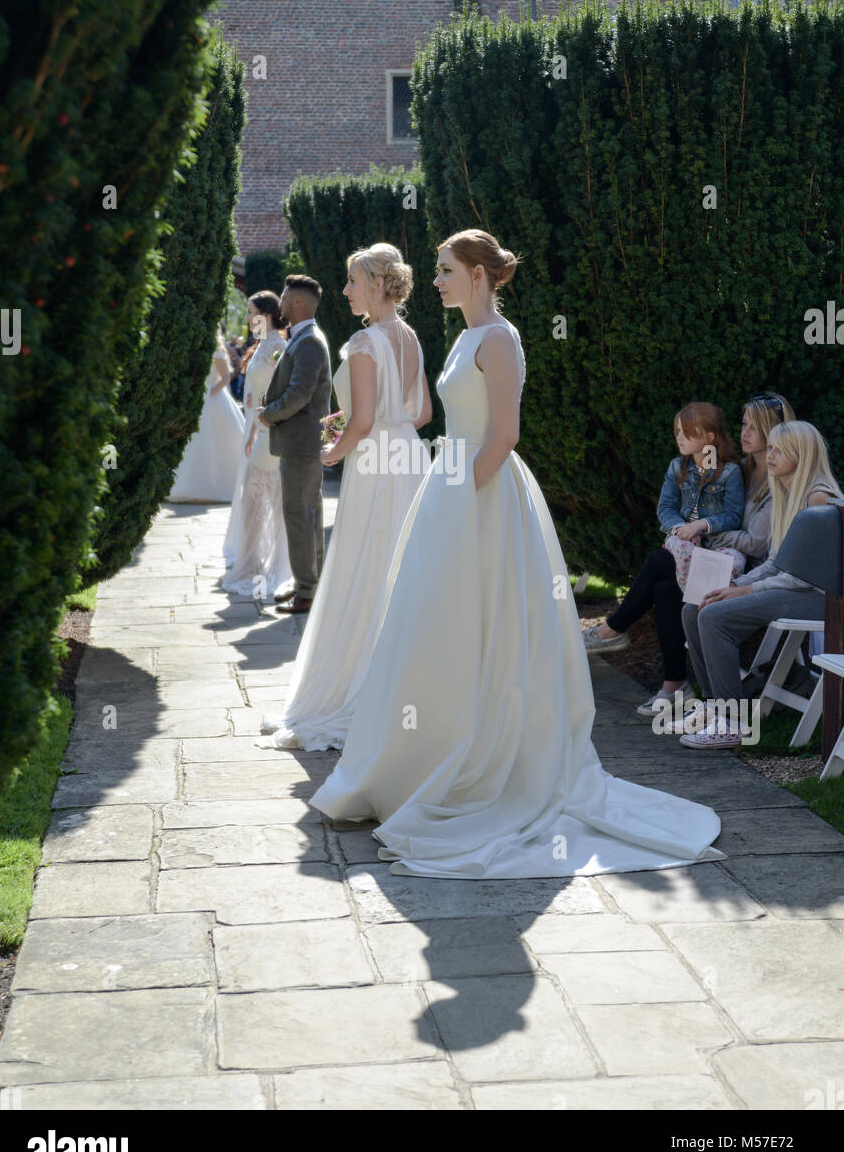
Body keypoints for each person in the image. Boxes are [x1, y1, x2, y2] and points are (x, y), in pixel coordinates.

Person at [311, 229, 722, 879]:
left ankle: (486, 769)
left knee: (486, 624)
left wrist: (458, 506)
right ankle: (416, 762)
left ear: (478, 274)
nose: (436, 279)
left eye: (446, 270)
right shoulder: (463, 336)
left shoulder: (499, 338)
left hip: (483, 496)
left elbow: (503, 434)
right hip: (451, 485)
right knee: (429, 628)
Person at [257, 244, 432, 750]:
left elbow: (360, 422)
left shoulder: (361, 342)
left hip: (374, 465)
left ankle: (357, 684)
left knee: (364, 563)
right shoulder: (410, 336)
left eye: (352, 280)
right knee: (401, 566)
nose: (345, 289)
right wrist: (365, 423)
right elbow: (418, 413)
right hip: (409, 458)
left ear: (377, 284)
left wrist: (333, 452)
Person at [586, 395, 794, 718]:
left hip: (743, 570)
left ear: (773, 433)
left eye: (755, 427)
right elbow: (670, 509)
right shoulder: (747, 469)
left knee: (661, 564)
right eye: (743, 424)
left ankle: (616, 631)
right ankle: (673, 686)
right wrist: (690, 529)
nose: (745, 433)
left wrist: (703, 529)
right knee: (663, 584)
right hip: (713, 557)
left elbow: (755, 542)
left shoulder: (773, 481)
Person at [678, 419, 844, 749]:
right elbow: (776, 562)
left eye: (780, 449)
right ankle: (715, 708)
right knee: (695, 606)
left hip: (823, 598)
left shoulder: (819, 498)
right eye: (770, 447)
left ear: (803, 453)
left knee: (714, 617)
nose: (770, 455)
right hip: (794, 589)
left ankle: (732, 722)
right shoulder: (787, 492)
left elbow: (803, 576)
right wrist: (737, 584)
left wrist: (744, 590)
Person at [258, 274, 332, 614]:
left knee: (299, 515)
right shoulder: (303, 338)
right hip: (301, 443)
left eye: (286, 297)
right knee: (308, 514)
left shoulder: (309, 342)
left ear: (298, 303)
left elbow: (299, 394)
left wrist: (269, 414)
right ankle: (309, 584)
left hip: (301, 444)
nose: (282, 302)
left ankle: (306, 590)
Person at [221, 292, 292, 599]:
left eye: (252, 312)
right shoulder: (262, 345)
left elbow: (285, 391)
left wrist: (262, 407)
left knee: (266, 502)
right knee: (253, 500)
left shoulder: (280, 347)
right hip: (255, 429)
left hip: (270, 433)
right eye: (248, 312)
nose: (249, 318)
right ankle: (252, 561)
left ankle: (271, 566)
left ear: (268, 314)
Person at [169, 329, 245, 502]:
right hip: (200, 398)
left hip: (214, 398)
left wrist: (211, 393)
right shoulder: (197, 352)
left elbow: (226, 377)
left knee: (216, 441)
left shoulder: (217, 353)